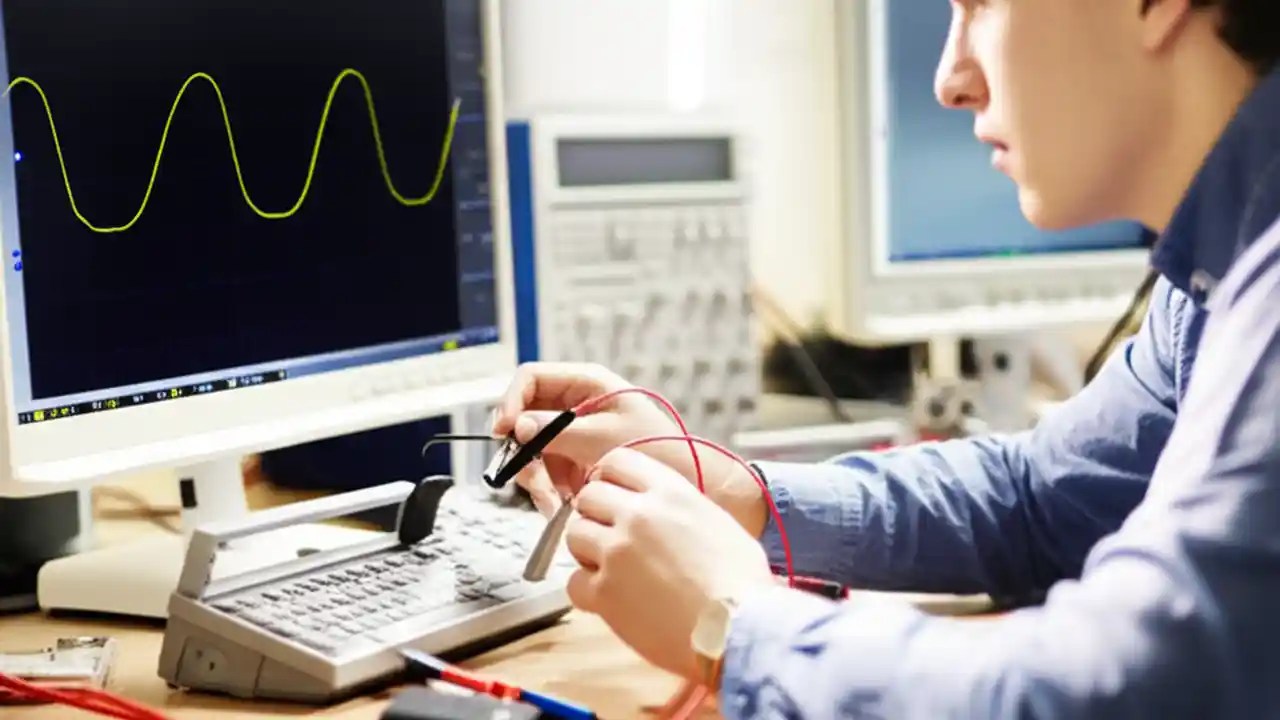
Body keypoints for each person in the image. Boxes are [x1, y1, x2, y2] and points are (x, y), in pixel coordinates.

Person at [492, 0, 1280, 716]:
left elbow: (1122, 691)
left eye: (980, 6)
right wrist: (733, 491)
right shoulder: (1214, 277)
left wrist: (737, 620)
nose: (951, 80)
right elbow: (1046, 499)